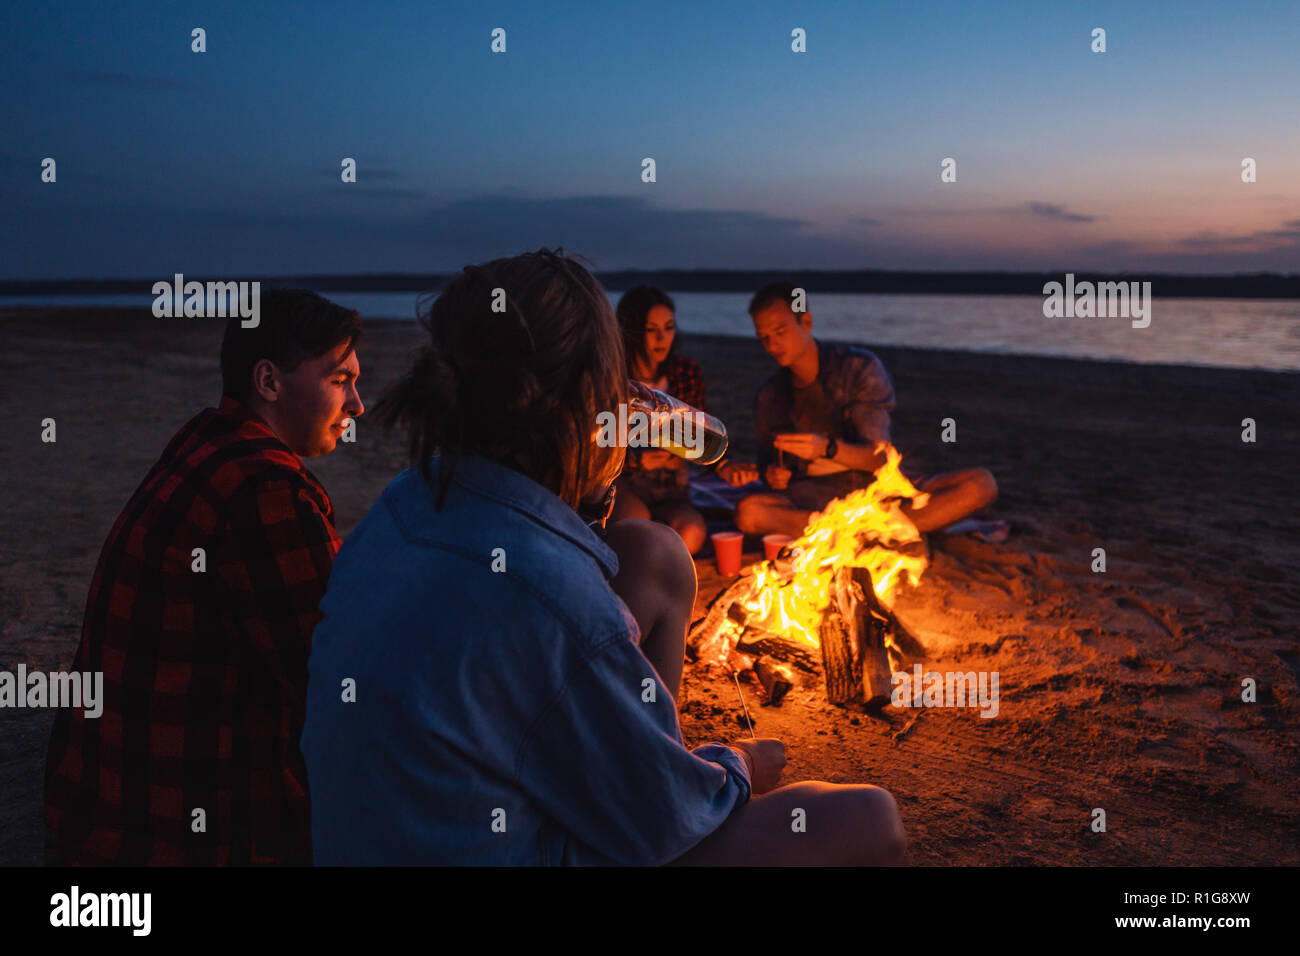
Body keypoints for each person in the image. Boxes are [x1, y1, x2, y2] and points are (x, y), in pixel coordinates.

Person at [301, 251, 905, 866]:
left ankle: (645, 747)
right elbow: (665, 815)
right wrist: (739, 763)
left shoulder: (404, 500)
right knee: (870, 819)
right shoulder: (555, 600)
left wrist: (592, 477)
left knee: (654, 551)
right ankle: (649, 764)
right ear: (590, 405)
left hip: (391, 828)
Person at [44, 289, 364, 865]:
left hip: (100, 798)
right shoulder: (268, 490)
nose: (358, 406)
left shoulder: (209, 438)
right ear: (269, 382)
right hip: (186, 828)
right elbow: (334, 679)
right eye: (340, 381)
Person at [735, 281, 999, 540]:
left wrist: (827, 448)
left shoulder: (858, 369)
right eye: (764, 338)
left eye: (780, 332)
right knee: (749, 513)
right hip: (814, 499)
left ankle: (851, 534)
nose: (772, 345)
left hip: (876, 490)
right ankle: (879, 533)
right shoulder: (770, 396)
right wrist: (774, 476)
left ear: (806, 322)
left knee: (980, 484)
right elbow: (767, 464)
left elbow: (880, 458)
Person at [610, 286, 757, 554]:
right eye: (651, 329)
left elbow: (700, 435)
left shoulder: (685, 373)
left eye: (668, 327)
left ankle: (667, 588)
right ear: (631, 330)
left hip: (670, 487)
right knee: (637, 528)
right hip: (624, 482)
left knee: (692, 532)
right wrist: (636, 460)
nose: (662, 337)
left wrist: (722, 466)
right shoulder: (615, 379)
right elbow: (599, 441)